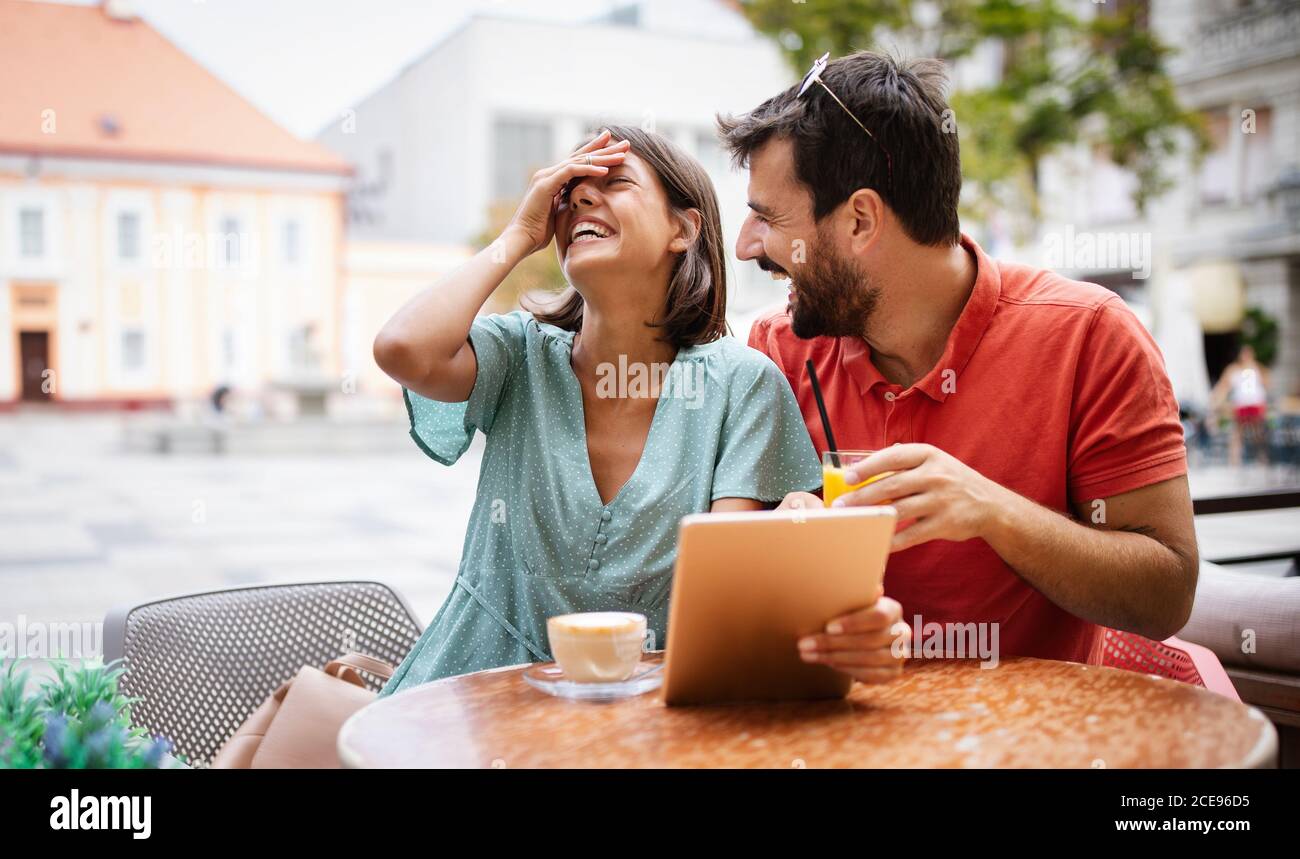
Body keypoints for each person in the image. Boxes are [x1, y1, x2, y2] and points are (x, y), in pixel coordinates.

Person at [719, 51, 1198, 667]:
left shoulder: (1090, 335)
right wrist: (771, 556)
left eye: (767, 217)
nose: (744, 246)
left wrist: (991, 510)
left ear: (861, 219)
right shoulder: (777, 350)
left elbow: (1168, 592)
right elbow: (735, 602)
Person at [371, 127, 831, 695]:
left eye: (614, 184)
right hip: (467, 697)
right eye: (570, 192)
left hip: (639, 714)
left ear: (683, 229)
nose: (582, 199)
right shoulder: (518, 356)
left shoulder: (742, 385)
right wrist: (517, 237)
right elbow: (401, 349)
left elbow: (716, 597)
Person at [1211, 344, 1271, 465]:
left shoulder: (1257, 368)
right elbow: (1224, 386)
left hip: (1254, 403)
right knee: (1238, 433)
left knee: (1257, 433)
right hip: (1241, 405)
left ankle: (1262, 458)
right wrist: (1217, 400)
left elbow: (1267, 383)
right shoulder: (1233, 369)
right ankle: (1234, 461)